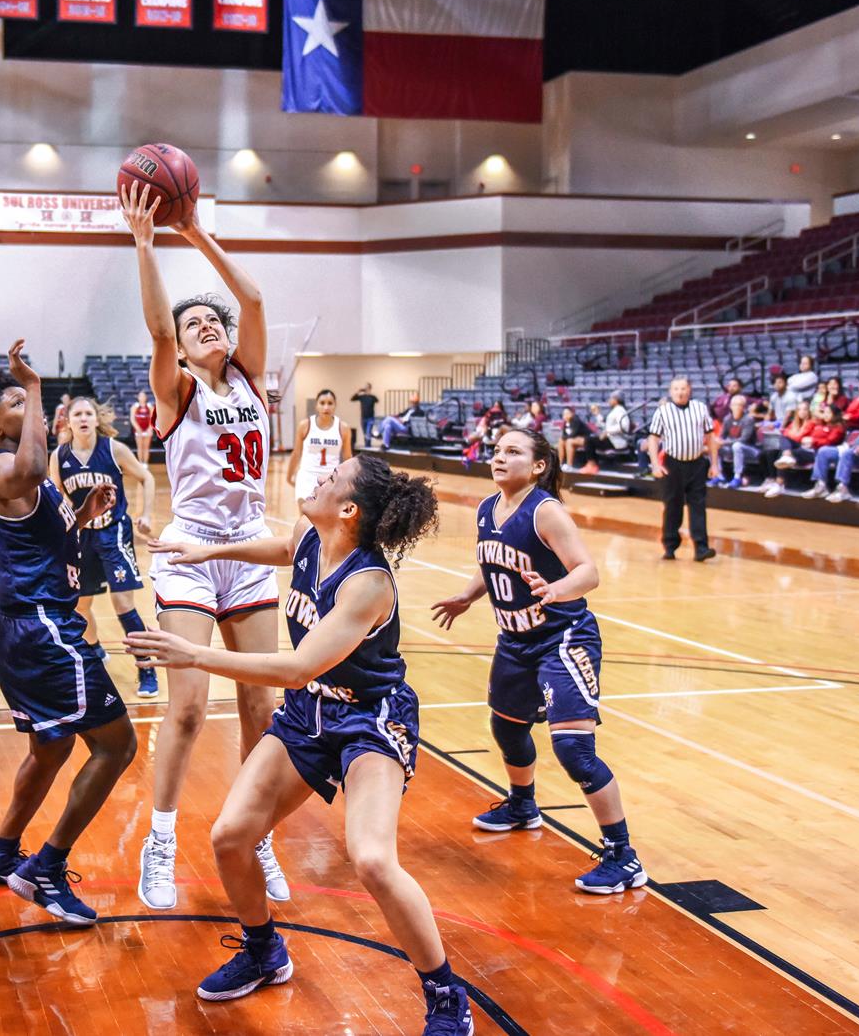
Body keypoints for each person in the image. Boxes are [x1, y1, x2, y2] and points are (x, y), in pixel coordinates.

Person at [129, 456, 474, 1032]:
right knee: (231, 837)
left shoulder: (368, 583)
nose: (317, 477)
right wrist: (210, 553)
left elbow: (294, 667)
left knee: (371, 858)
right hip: (310, 711)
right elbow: (282, 552)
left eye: (330, 477)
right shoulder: (310, 537)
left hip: (370, 718)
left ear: (348, 509)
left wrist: (194, 655)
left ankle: (445, 996)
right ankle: (265, 952)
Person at [119, 178, 289, 911]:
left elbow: (250, 301)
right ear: (183, 352)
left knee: (263, 713)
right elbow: (159, 329)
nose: (204, 327)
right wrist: (147, 244)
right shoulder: (177, 393)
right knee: (187, 710)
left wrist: (197, 234)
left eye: (206, 323)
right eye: (194, 327)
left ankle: (257, 838)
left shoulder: (248, 375)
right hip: (190, 550)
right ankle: (160, 841)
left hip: (250, 549)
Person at [0, 341, 138, 926]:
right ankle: (46, 867)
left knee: (53, 744)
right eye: (15, 403)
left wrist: (82, 513)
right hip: (40, 628)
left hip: (24, 622)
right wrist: (34, 387)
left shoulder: (32, 481)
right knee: (117, 746)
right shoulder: (3, 469)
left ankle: (0, 850)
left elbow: (44, 536)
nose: (31, 408)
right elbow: (33, 466)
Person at [431, 428, 647, 895]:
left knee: (574, 750)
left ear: (538, 465)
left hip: (562, 638)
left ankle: (623, 855)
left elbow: (588, 571)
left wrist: (556, 590)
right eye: (496, 450)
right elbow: (492, 562)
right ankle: (523, 806)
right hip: (514, 640)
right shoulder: (489, 508)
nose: (499, 457)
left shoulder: (546, 510)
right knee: (507, 728)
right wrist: (468, 596)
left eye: (513, 451)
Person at [51, 395, 160, 698]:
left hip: (114, 533)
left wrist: (147, 513)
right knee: (81, 604)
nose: (84, 418)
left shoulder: (114, 450)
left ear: (97, 419)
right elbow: (56, 497)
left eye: (88, 413)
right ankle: (95, 649)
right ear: (68, 421)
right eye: (78, 414)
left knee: (123, 605)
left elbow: (147, 477)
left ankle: (146, 668)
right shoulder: (59, 456)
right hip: (81, 535)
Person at [645, 377, 718, 562]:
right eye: (676, 389)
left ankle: (701, 548)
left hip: (697, 463)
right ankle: (670, 546)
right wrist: (655, 464)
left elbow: (710, 437)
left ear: (689, 390)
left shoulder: (700, 408)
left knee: (698, 506)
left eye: (683, 388)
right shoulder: (663, 411)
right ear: (671, 392)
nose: (680, 392)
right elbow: (653, 439)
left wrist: (714, 464)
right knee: (673, 506)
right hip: (673, 464)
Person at [287, 389, 352, 503]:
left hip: (331, 478)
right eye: (322, 403)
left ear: (335, 405)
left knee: (326, 519)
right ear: (316, 405)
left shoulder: (343, 428)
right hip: (307, 476)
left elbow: (347, 457)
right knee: (304, 517)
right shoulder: (305, 426)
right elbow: (296, 453)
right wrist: (289, 476)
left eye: (330, 403)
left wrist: (350, 481)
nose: (326, 407)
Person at [712, 394, 759, 489]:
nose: (737, 407)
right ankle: (719, 475)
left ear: (744, 407)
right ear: (730, 406)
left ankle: (737, 477)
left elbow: (744, 439)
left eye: (740, 405)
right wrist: (717, 441)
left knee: (737, 445)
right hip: (732, 448)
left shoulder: (748, 419)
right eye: (735, 405)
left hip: (750, 449)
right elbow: (722, 436)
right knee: (714, 446)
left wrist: (724, 442)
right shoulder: (727, 419)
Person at [129, 389, 155, 464]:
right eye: (141, 396)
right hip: (138, 430)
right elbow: (132, 419)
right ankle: (140, 462)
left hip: (148, 429)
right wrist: (137, 428)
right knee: (140, 447)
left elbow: (152, 418)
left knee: (146, 448)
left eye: (144, 396)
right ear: (138, 397)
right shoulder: (135, 407)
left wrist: (150, 428)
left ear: (146, 397)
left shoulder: (149, 406)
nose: (142, 397)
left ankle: (145, 463)